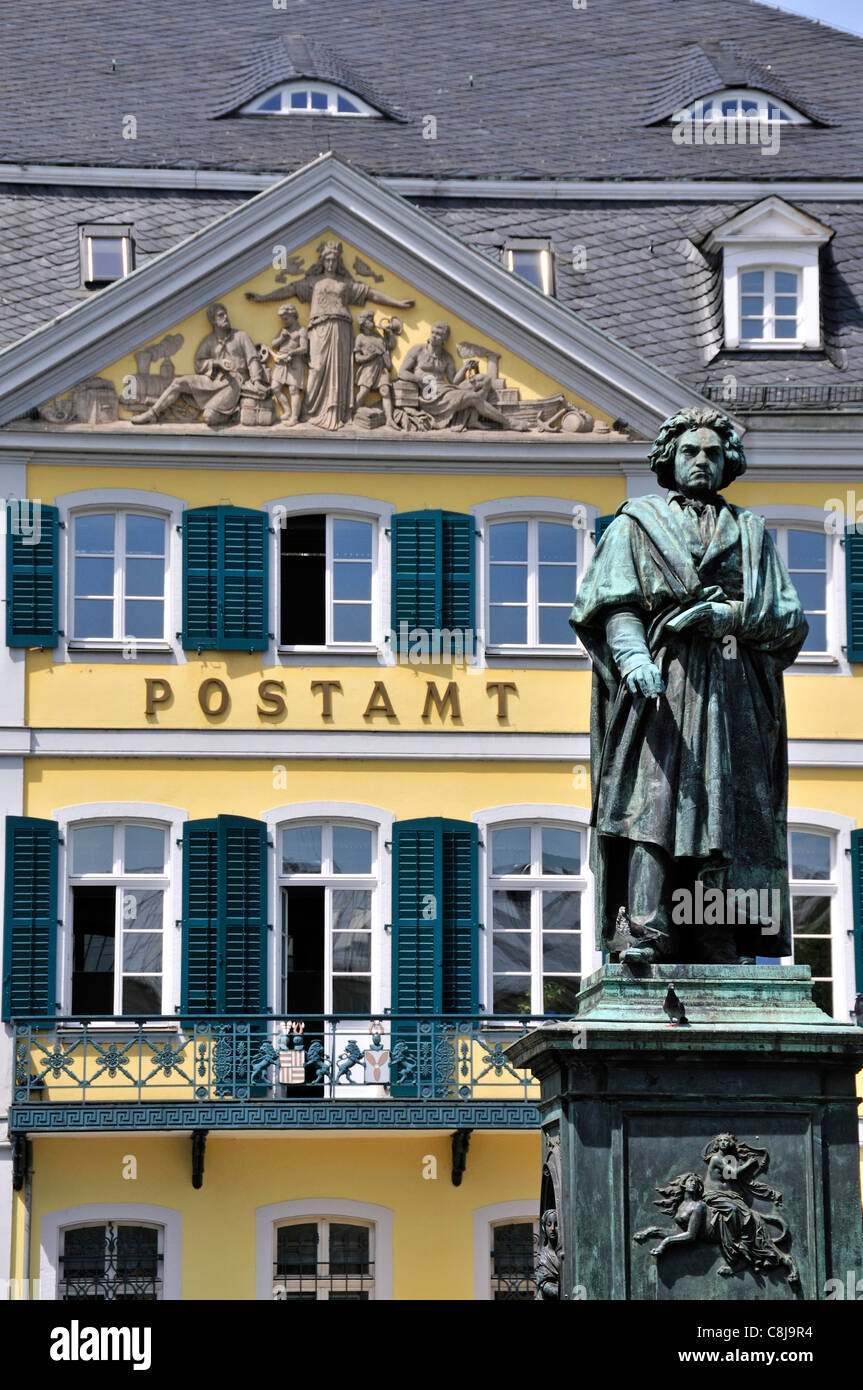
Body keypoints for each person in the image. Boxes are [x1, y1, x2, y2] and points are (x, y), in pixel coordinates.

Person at [571, 407, 807, 965]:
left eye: (713, 453)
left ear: (727, 462)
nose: (702, 461)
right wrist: (632, 661)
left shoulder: (750, 533)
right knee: (648, 805)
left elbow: (788, 619)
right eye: (690, 452)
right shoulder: (635, 525)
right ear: (669, 460)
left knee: (725, 811)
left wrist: (726, 619)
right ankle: (647, 931)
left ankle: (717, 936)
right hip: (660, 688)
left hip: (733, 692)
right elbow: (612, 606)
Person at [246, 241, 413, 430]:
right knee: (316, 368)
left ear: (338, 262)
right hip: (318, 330)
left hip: (341, 329)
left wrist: (397, 303)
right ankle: (312, 411)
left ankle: (338, 412)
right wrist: (262, 298)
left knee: (339, 369)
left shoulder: (345, 284)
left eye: (334, 260)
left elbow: (371, 294)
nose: (331, 263)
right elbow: (289, 289)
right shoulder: (313, 282)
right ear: (323, 261)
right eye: (328, 260)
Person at [130, 302, 266, 427]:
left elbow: (253, 359)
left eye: (226, 314)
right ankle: (152, 413)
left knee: (209, 418)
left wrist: (257, 381)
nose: (226, 317)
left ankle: (233, 414)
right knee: (179, 382)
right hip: (213, 379)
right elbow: (198, 363)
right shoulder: (209, 341)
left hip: (234, 383)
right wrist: (217, 363)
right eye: (221, 315)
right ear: (213, 320)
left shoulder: (241, 336)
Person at [397, 320, 519, 430]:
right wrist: (419, 379)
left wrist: (465, 368)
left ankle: (472, 417)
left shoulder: (447, 357)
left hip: (445, 390)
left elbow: (454, 381)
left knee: (484, 379)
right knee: (473, 397)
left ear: (444, 340)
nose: (434, 336)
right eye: (433, 332)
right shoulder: (418, 350)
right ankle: (507, 422)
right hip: (429, 395)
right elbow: (402, 372)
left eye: (438, 334)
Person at [267, 303, 309, 426]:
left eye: (286, 318)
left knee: (293, 390)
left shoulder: (301, 331)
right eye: (282, 319)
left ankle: (294, 418)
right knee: (275, 387)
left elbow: (304, 348)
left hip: (295, 363)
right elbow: (274, 344)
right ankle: (287, 410)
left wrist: (292, 352)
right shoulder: (284, 330)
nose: (284, 321)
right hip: (281, 361)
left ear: (293, 316)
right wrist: (281, 338)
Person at [353, 310, 396, 425]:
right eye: (370, 320)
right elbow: (357, 358)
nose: (373, 322)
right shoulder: (360, 338)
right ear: (363, 323)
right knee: (363, 392)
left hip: (382, 368)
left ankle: (389, 419)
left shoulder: (378, 337)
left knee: (385, 391)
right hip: (368, 368)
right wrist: (370, 356)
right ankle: (352, 414)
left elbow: (391, 345)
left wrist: (390, 333)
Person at [534, 1209, 561, 1300]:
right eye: (549, 1225)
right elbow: (545, 1284)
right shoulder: (542, 1256)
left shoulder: (568, 1254)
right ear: (544, 1227)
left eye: (556, 1224)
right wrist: (563, 1290)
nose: (552, 1228)